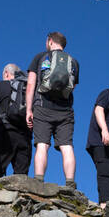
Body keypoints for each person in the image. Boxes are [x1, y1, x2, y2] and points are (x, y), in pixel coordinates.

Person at [25, 32, 79, 189]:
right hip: (65, 110)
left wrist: (29, 110)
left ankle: (38, 180)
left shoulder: (40, 57)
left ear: (50, 41)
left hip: (43, 107)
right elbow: (72, 87)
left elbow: (31, 85)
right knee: (66, 146)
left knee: (42, 145)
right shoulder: (73, 62)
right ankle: (70, 183)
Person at [0, 63, 32, 176]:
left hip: (5, 131)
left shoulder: (1, 85)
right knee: (21, 176)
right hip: (25, 135)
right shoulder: (28, 89)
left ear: (6, 73)